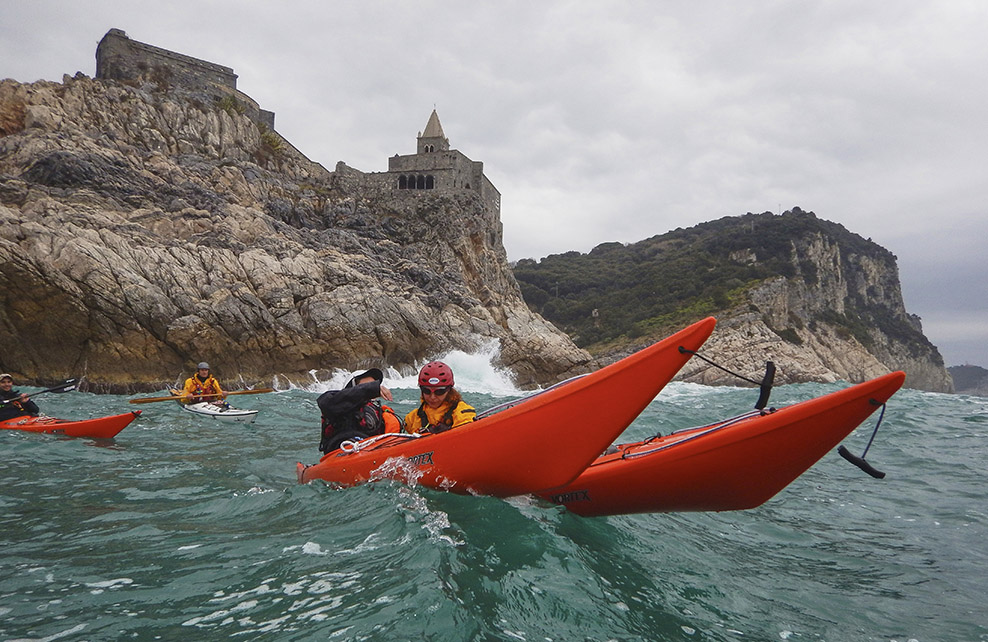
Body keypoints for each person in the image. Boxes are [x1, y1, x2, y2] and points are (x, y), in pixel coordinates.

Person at [317, 368, 403, 454]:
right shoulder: (335, 403)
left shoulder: (379, 413)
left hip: (372, 452)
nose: (369, 390)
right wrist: (370, 390)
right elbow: (325, 403)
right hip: (340, 450)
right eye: (365, 386)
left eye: (372, 385)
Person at [404, 361, 476, 434]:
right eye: (427, 391)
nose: (432, 397)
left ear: (449, 390)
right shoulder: (411, 419)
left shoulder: (463, 413)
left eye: (439, 392)